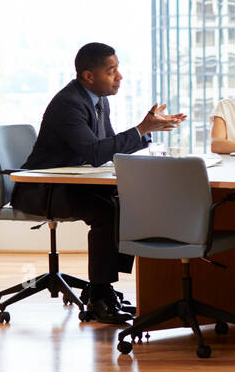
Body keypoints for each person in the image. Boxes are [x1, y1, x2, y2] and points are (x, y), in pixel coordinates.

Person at [12, 42, 186, 325]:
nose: (119, 76)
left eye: (118, 69)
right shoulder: (69, 104)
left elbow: (108, 147)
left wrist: (145, 133)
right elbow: (95, 154)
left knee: (125, 203)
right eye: (111, 70)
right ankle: (99, 298)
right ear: (88, 76)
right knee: (108, 212)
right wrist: (142, 128)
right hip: (39, 190)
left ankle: (102, 289)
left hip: (67, 185)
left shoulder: (98, 101)